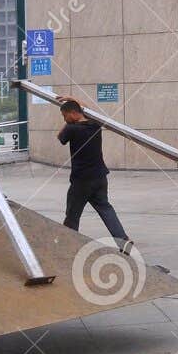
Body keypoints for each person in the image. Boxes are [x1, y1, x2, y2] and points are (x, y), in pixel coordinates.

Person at [57, 97, 132, 253]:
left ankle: (68, 244)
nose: (64, 119)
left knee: (72, 213)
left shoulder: (72, 129)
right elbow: (87, 110)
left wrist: (68, 122)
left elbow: (60, 137)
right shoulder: (95, 125)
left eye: (64, 115)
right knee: (106, 208)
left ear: (72, 113)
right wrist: (73, 99)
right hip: (100, 177)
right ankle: (123, 240)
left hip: (81, 181)